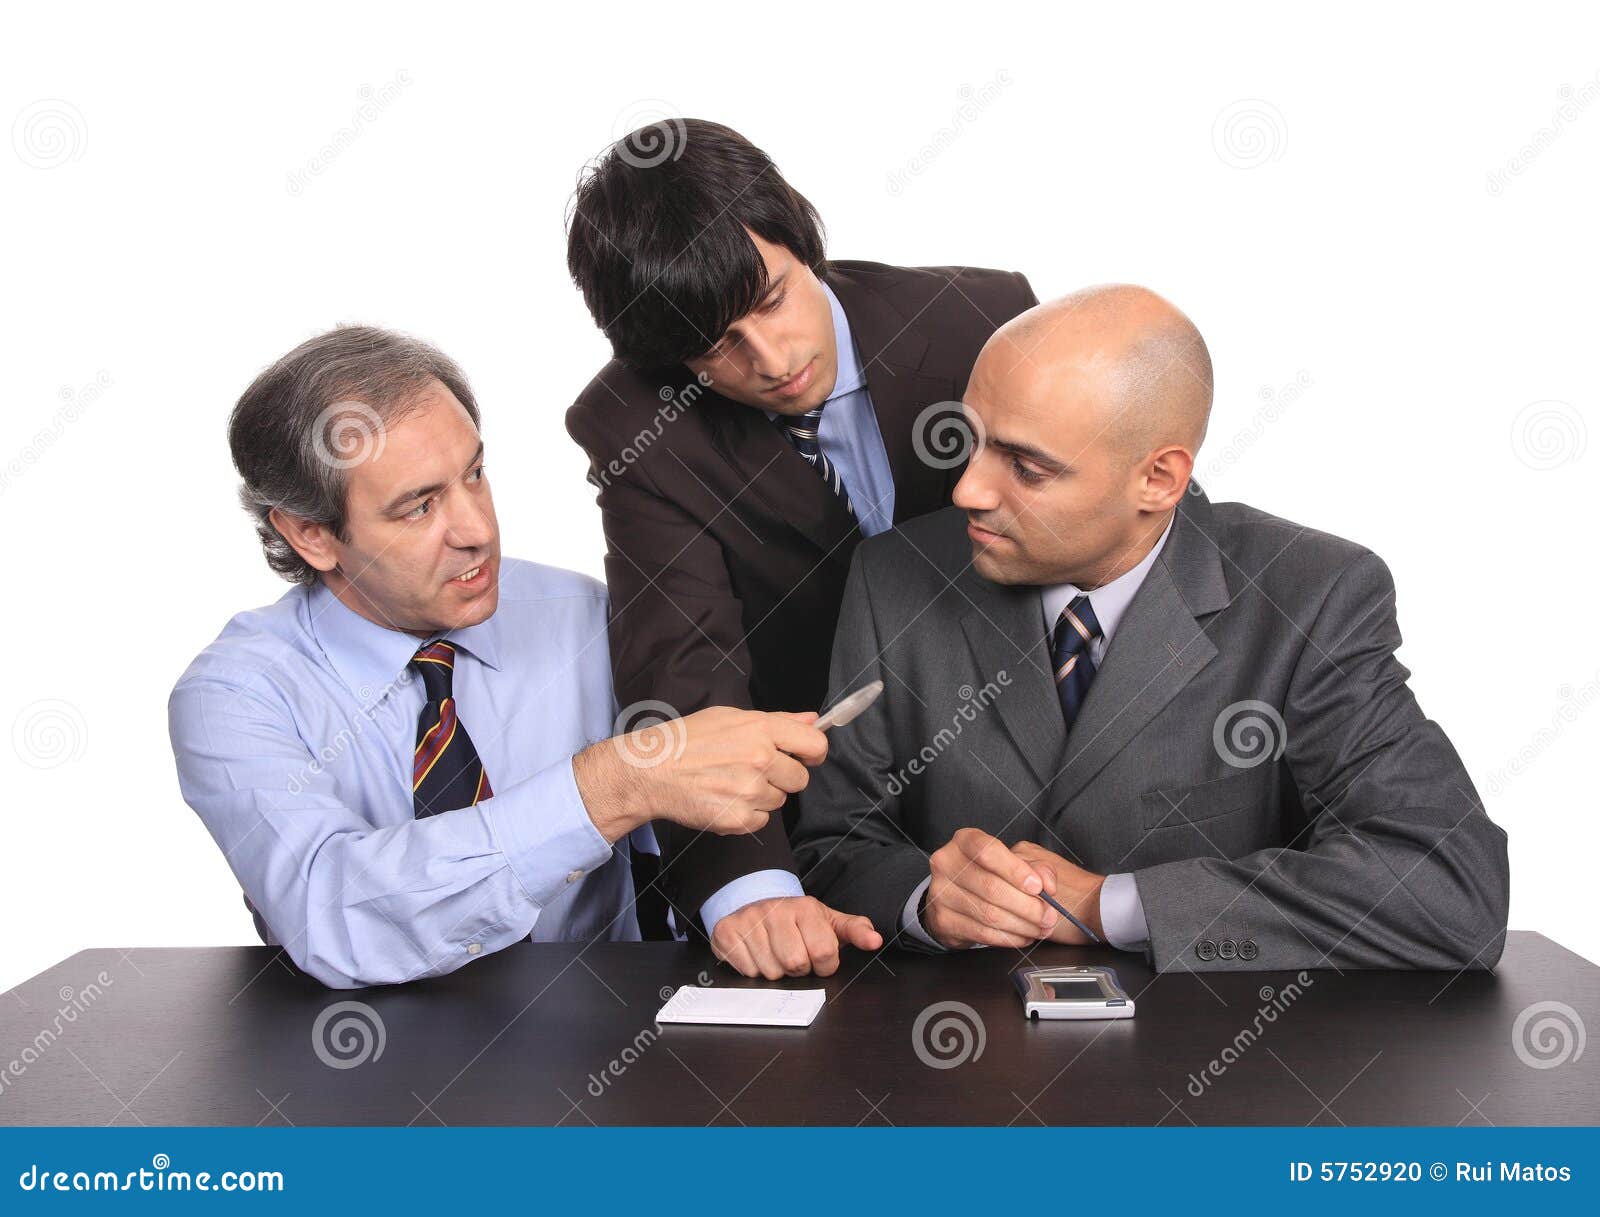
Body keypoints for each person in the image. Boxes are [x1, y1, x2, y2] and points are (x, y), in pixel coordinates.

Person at [792, 285, 1510, 971]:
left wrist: (1111, 904)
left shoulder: (1313, 596)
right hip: (952, 1069)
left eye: (1027, 467)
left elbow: (1447, 884)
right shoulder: (893, 577)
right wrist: (924, 901)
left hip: (1210, 1067)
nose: (966, 489)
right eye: (972, 439)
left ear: (1159, 480)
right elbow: (833, 840)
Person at [169, 325, 876, 989]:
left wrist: (753, 903)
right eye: (419, 508)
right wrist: (611, 785)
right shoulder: (237, 696)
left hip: (600, 1054)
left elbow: (690, 809)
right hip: (360, 1071)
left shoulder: (581, 615)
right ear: (312, 536)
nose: (477, 530)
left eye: (474, 474)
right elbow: (333, 916)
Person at [565, 118, 1037, 976]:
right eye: (716, 346)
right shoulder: (638, 427)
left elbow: (1125, 529)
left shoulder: (984, 320)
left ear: (802, 240)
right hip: (826, 833)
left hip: (1034, 786)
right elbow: (681, 666)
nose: (773, 359)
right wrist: (750, 891)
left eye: (774, 297)